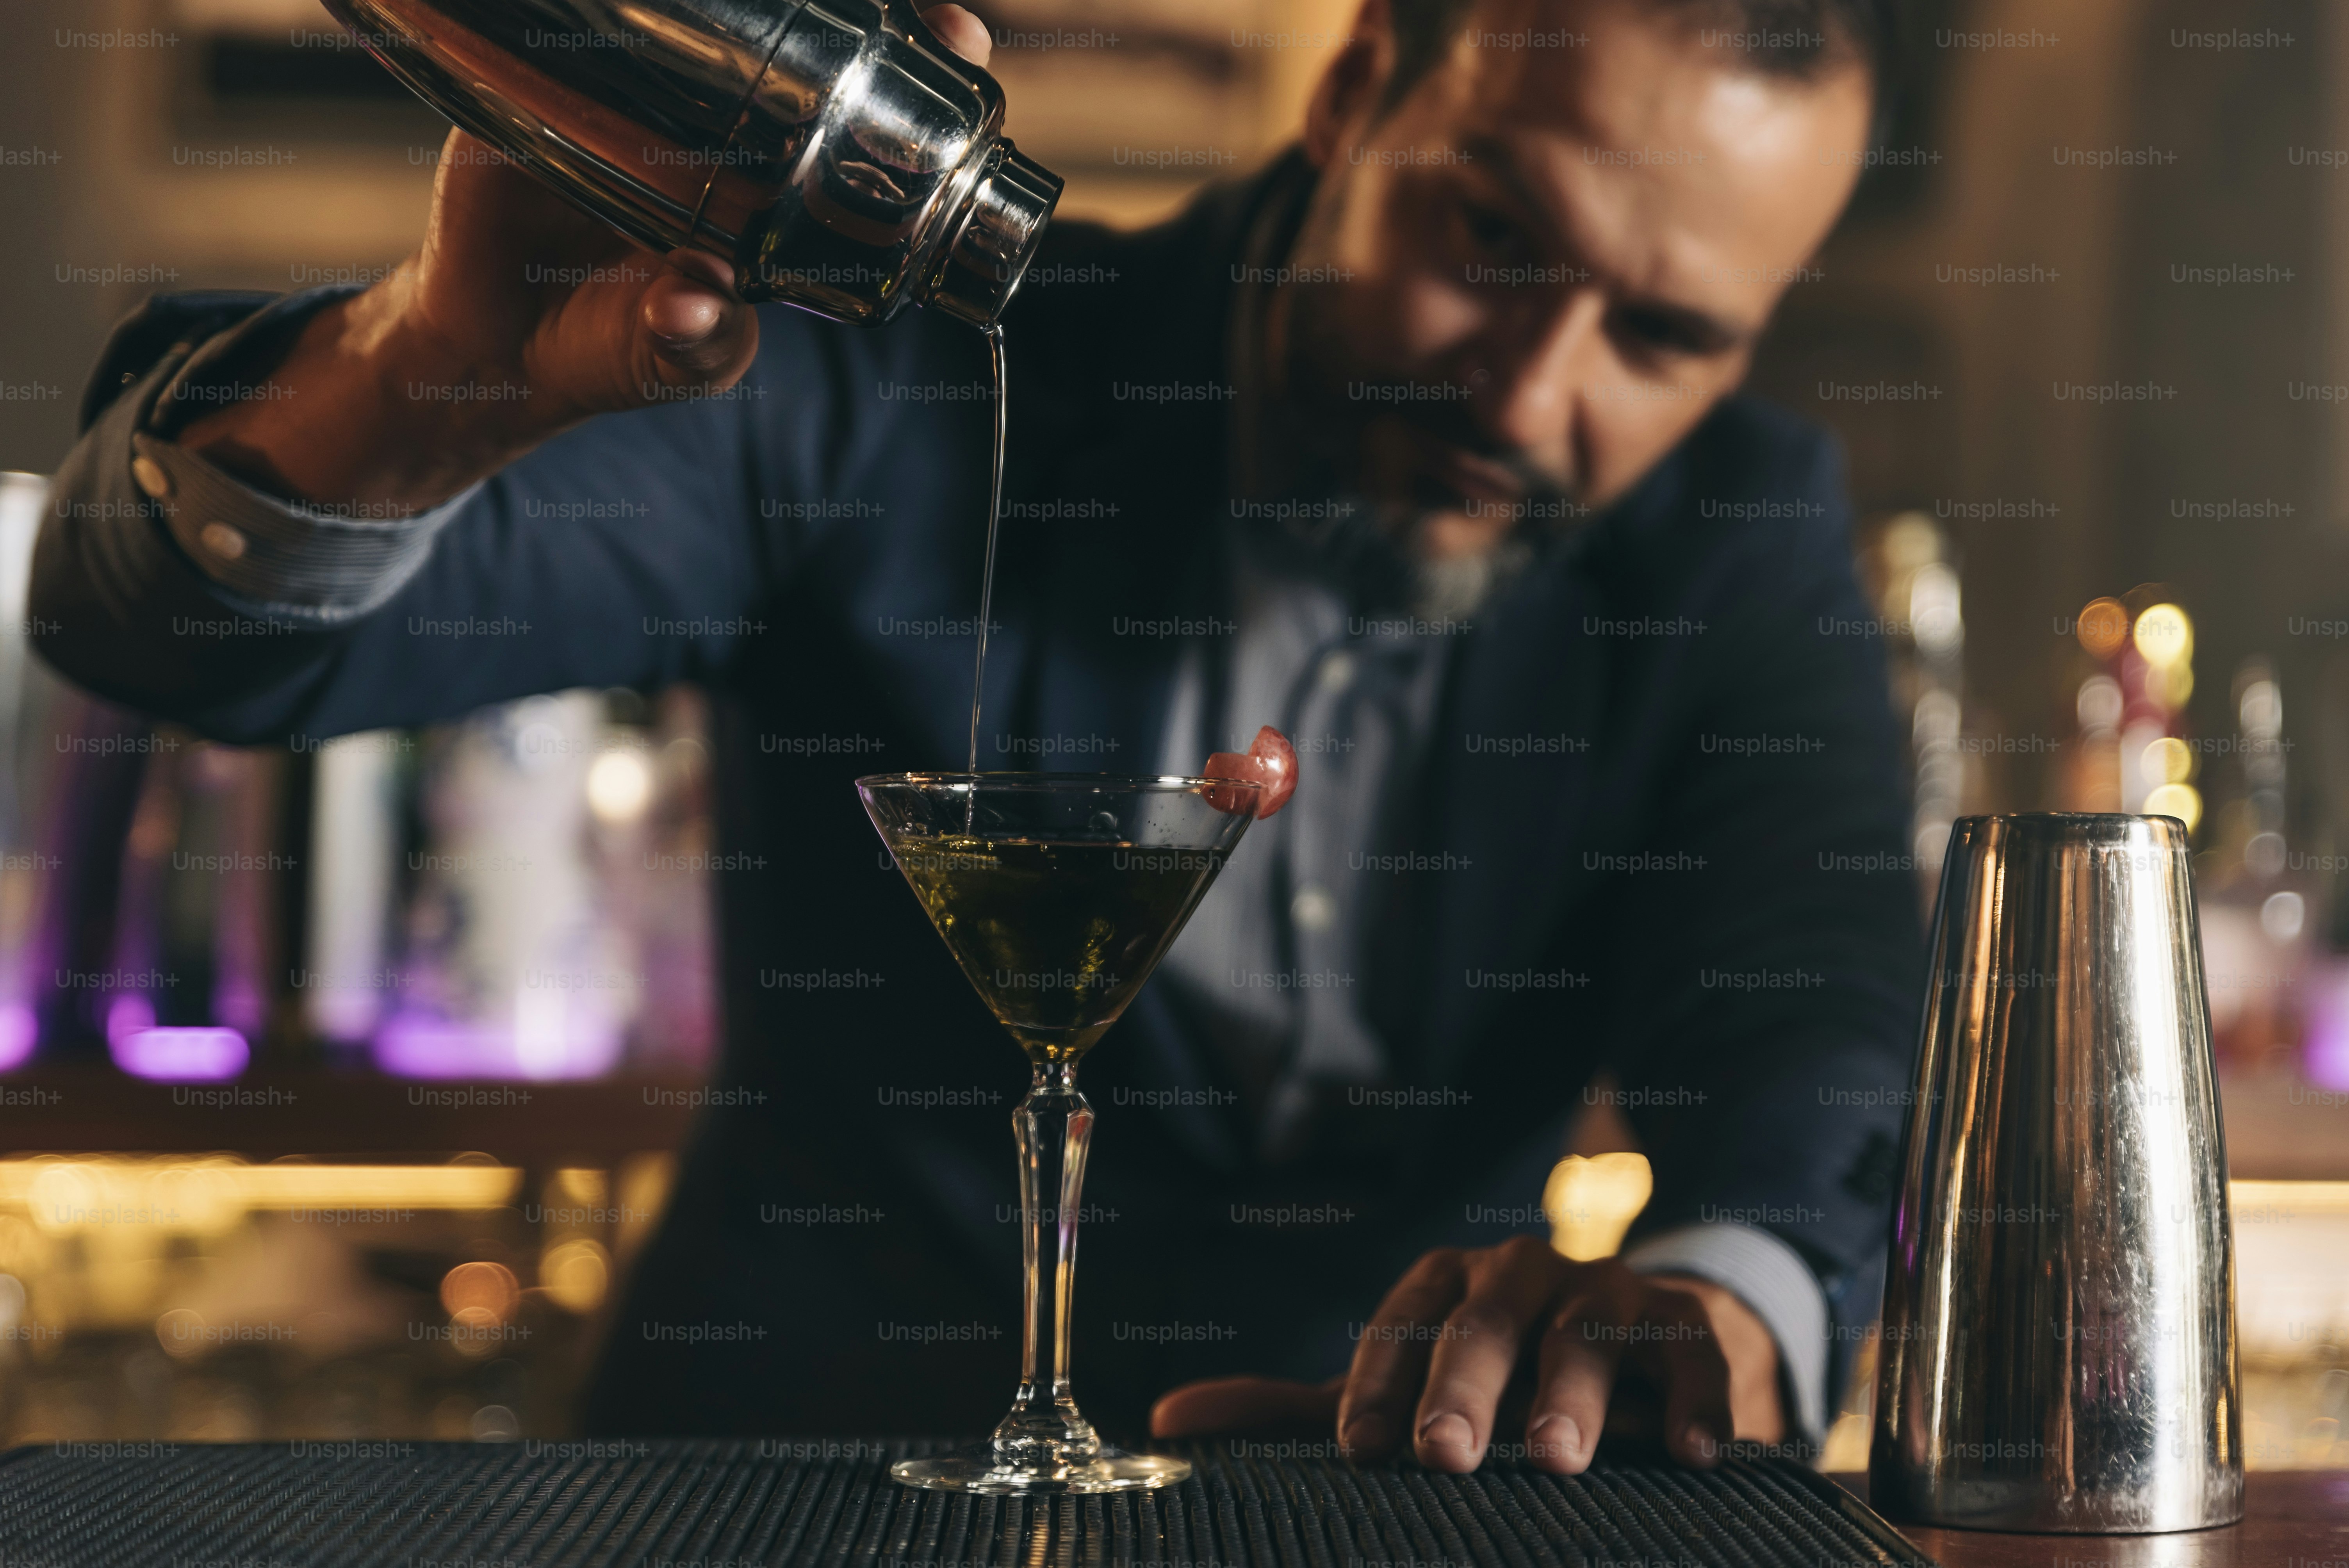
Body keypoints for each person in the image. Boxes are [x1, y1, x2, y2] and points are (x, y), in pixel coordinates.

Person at [34, 0, 1922, 1473]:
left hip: (1366, 1498)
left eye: (1662, 336)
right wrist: (434, 365)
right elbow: (167, 631)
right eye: (1493, 235)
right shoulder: (895, 377)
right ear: (1354, 94)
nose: (1530, 387)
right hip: (779, 1495)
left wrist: (1724, 1301)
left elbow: (1808, 1008)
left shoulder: (1735, 534)